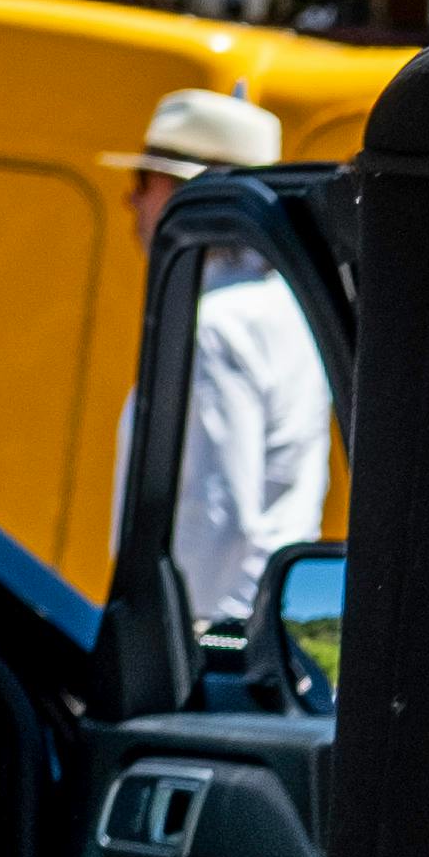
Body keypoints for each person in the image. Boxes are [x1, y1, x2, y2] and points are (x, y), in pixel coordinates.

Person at [105, 83, 333, 635]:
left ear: (192, 193)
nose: (131, 200)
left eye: (145, 181)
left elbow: (218, 518)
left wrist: (185, 646)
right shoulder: (285, 306)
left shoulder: (215, 326)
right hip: (262, 627)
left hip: (212, 634)